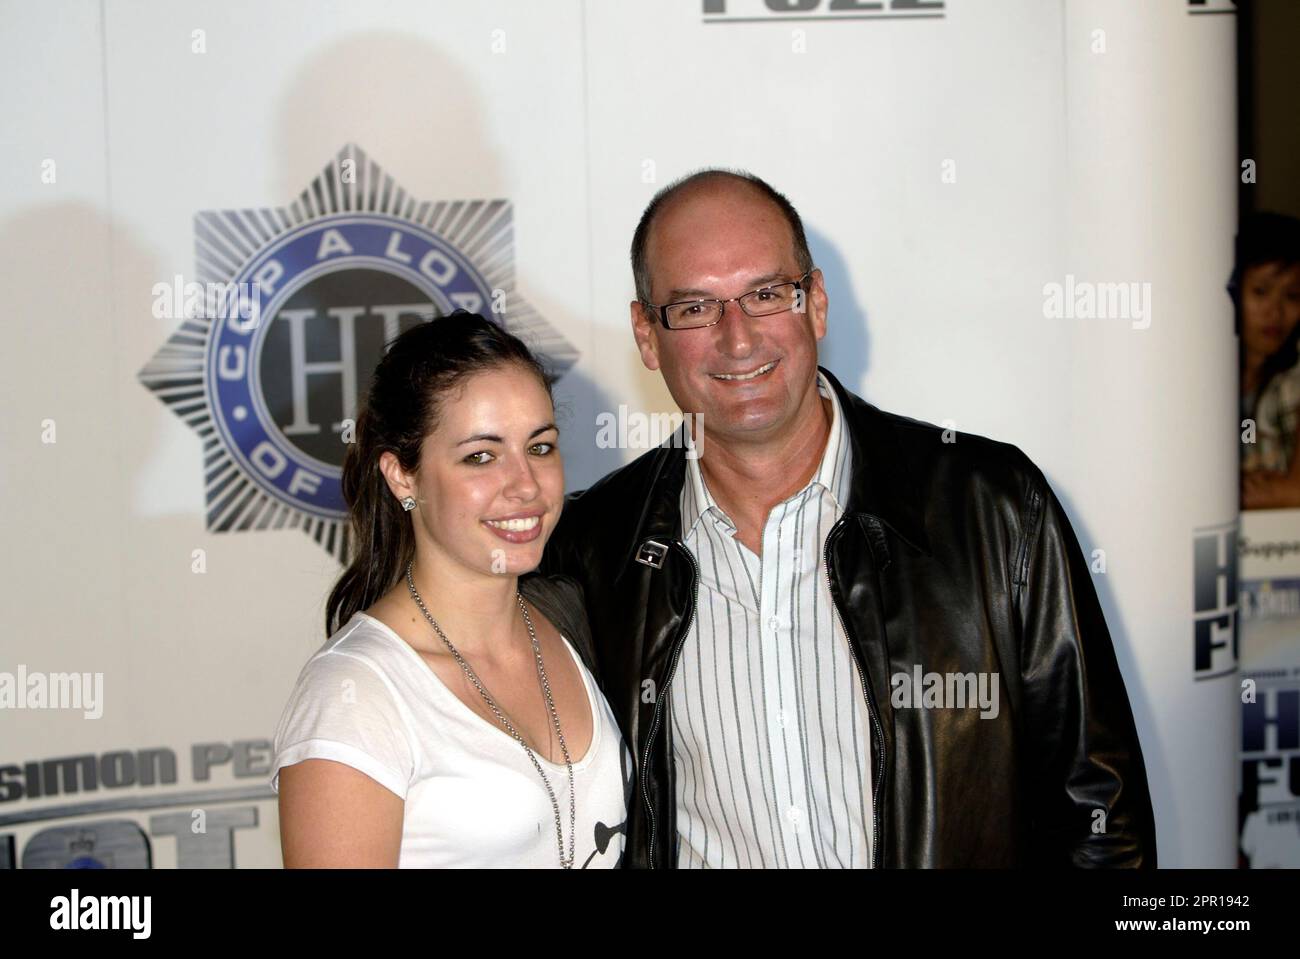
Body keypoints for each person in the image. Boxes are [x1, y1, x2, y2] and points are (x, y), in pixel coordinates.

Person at [540, 169, 1157, 868]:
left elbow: (1100, 810)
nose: (737, 338)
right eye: (694, 308)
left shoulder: (993, 508)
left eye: (767, 294)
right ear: (647, 336)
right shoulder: (593, 553)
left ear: (817, 303)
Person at [271, 313, 630, 868]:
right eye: (480, 457)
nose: (526, 486)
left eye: (539, 447)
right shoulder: (355, 695)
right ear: (402, 477)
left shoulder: (574, 625)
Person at [1234, 212, 1300, 509]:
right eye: (1260, 292)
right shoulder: (1193, 380)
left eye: (1292, 296)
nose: (1275, 313)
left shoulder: (1291, 382)